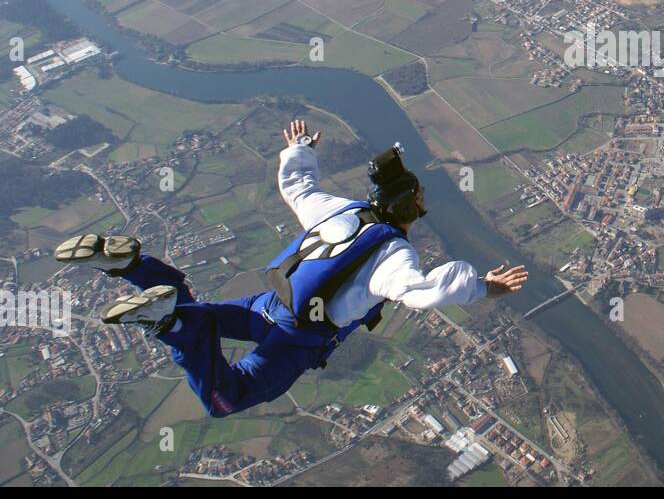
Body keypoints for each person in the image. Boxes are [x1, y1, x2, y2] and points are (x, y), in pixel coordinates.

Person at [54, 119, 528, 418]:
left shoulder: (341, 210)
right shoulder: (395, 257)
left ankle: (135, 266)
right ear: (409, 205)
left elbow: (298, 185)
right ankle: (169, 321)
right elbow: (425, 293)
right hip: (295, 340)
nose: (424, 199)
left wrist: (301, 147)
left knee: (199, 311)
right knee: (227, 398)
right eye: (420, 194)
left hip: (266, 306)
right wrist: (482, 286)